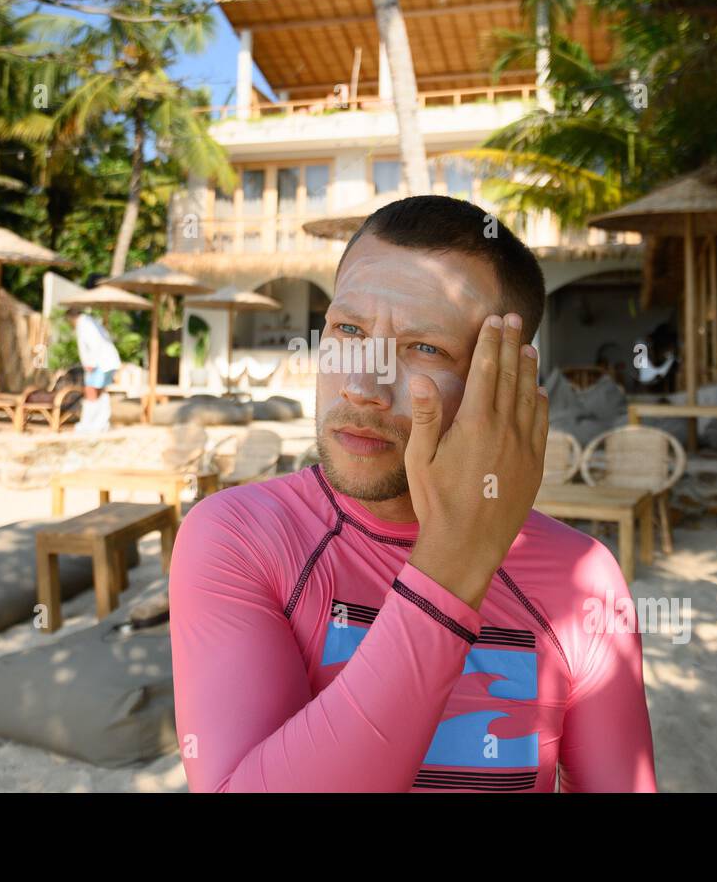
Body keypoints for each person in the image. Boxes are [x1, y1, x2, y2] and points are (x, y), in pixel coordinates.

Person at [169, 195, 657, 793]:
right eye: (349, 330)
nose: (362, 386)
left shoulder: (583, 578)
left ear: (505, 383)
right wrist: (456, 561)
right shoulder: (240, 535)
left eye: (424, 349)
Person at [67, 303, 120, 434]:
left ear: (71, 317)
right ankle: (100, 423)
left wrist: (91, 362)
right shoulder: (91, 321)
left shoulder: (84, 325)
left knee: (91, 391)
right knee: (100, 392)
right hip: (107, 361)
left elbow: (94, 343)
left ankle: (91, 425)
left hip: (99, 363)